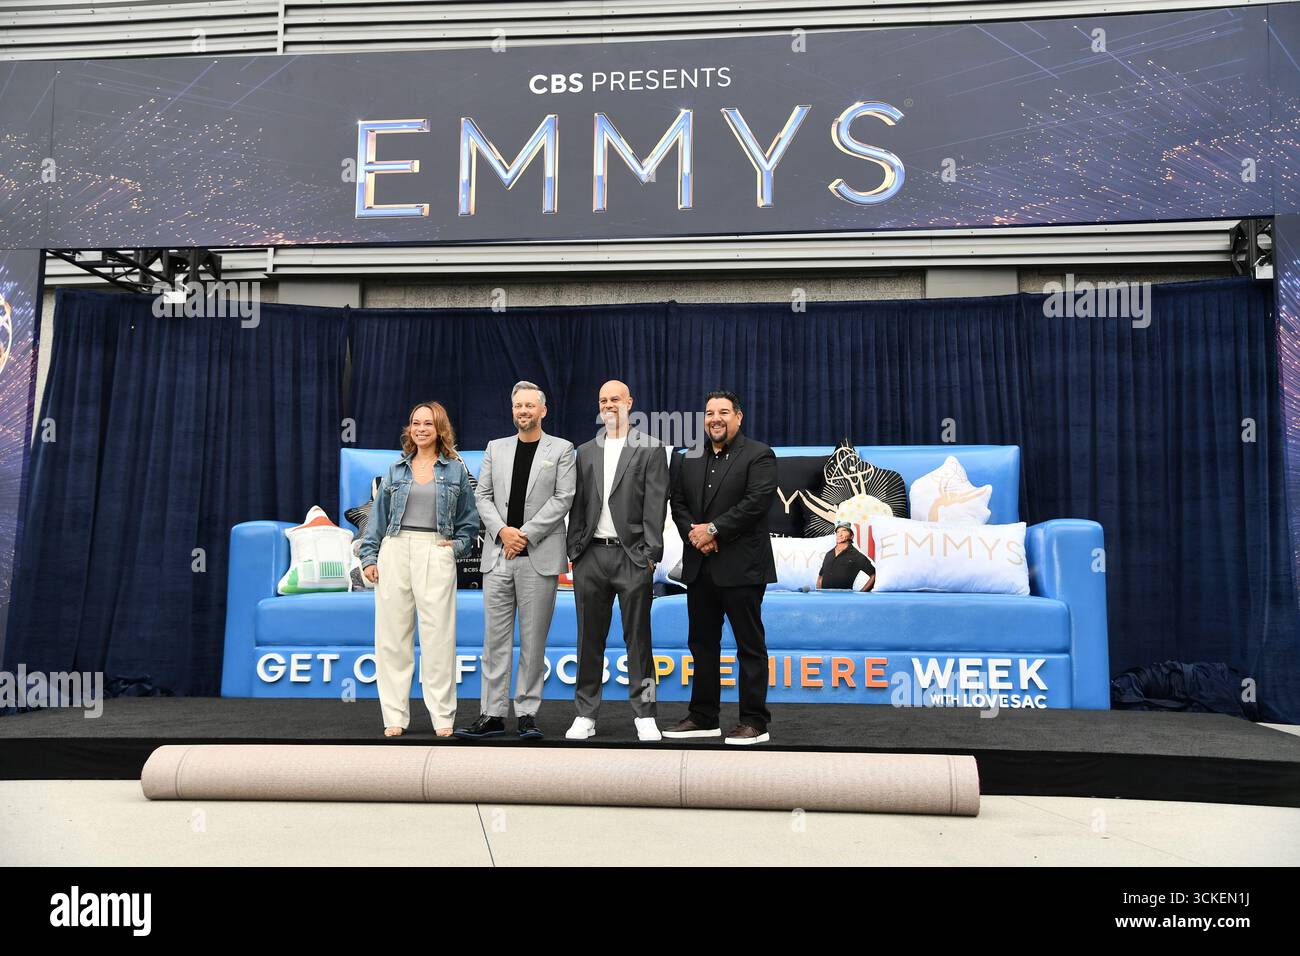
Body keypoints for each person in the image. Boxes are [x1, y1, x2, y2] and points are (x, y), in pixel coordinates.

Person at [457, 381, 576, 740]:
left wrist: (522, 533)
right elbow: (483, 495)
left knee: (533, 641)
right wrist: (502, 533)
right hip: (498, 557)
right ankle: (492, 714)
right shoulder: (496, 448)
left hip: (538, 557)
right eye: (517, 406)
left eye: (529, 406)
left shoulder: (563, 449)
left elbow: (563, 498)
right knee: (494, 641)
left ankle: (526, 713)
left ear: (543, 410)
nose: (523, 411)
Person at [359, 401, 479, 739]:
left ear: (440, 428)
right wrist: (369, 557)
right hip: (395, 549)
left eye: (428, 423)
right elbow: (377, 521)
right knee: (392, 637)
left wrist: (453, 547)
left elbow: (470, 523)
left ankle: (442, 717)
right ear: (409, 429)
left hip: (435, 549)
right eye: (415, 423)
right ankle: (394, 716)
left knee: (438, 637)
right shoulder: (396, 470)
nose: (421, 429)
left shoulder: (456, 469)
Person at [665, 390, 777, 745]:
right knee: (702, 643)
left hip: (742, 567)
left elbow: (756, 503)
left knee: (749, 646)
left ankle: (755, 722)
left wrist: (713, 530)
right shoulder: (688, 457)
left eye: (724, 412)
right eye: (710, 412)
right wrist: (696, 535)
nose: (716, 418)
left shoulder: (759, 454)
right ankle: (703, 716)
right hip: (700, 567)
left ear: (738, 417)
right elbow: (678, 503)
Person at [565, 380, 669, 742]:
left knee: (640, 640)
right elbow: (577, 506)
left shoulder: (651, 449)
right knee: (587, 639)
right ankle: (585, 713)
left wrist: (650, 555)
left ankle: (645, 714)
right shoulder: (584, 451)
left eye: (615, 399)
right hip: (590, 556)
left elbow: (656, 506)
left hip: (632, 557)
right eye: (602, 400)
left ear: (630, 403)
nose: (609, 405)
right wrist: (574, 552)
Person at [818, 520, 875, 591]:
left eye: (844, 531)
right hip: (824, 598)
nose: (840, 534)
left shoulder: (856, 555)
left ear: (851, 536)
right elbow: (820, 576)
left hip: (844, 599)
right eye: (838, 532)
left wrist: (862, 593)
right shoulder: (829, 554)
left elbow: (874, 575)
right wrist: (819, 593)